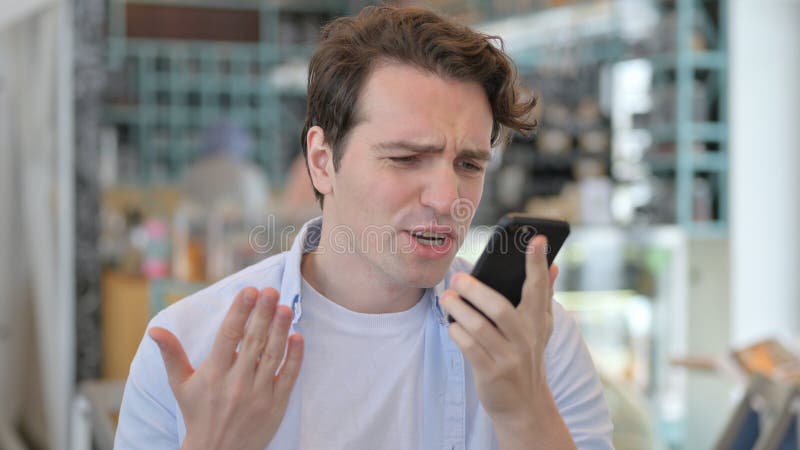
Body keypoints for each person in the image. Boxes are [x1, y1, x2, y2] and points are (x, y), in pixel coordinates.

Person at [115, 5, 613, 450]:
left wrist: (524, 414)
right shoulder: (190, 350)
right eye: (405, 158)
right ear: (322, 161)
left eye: (469, 164)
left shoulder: (535, 346)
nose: (447, 199)